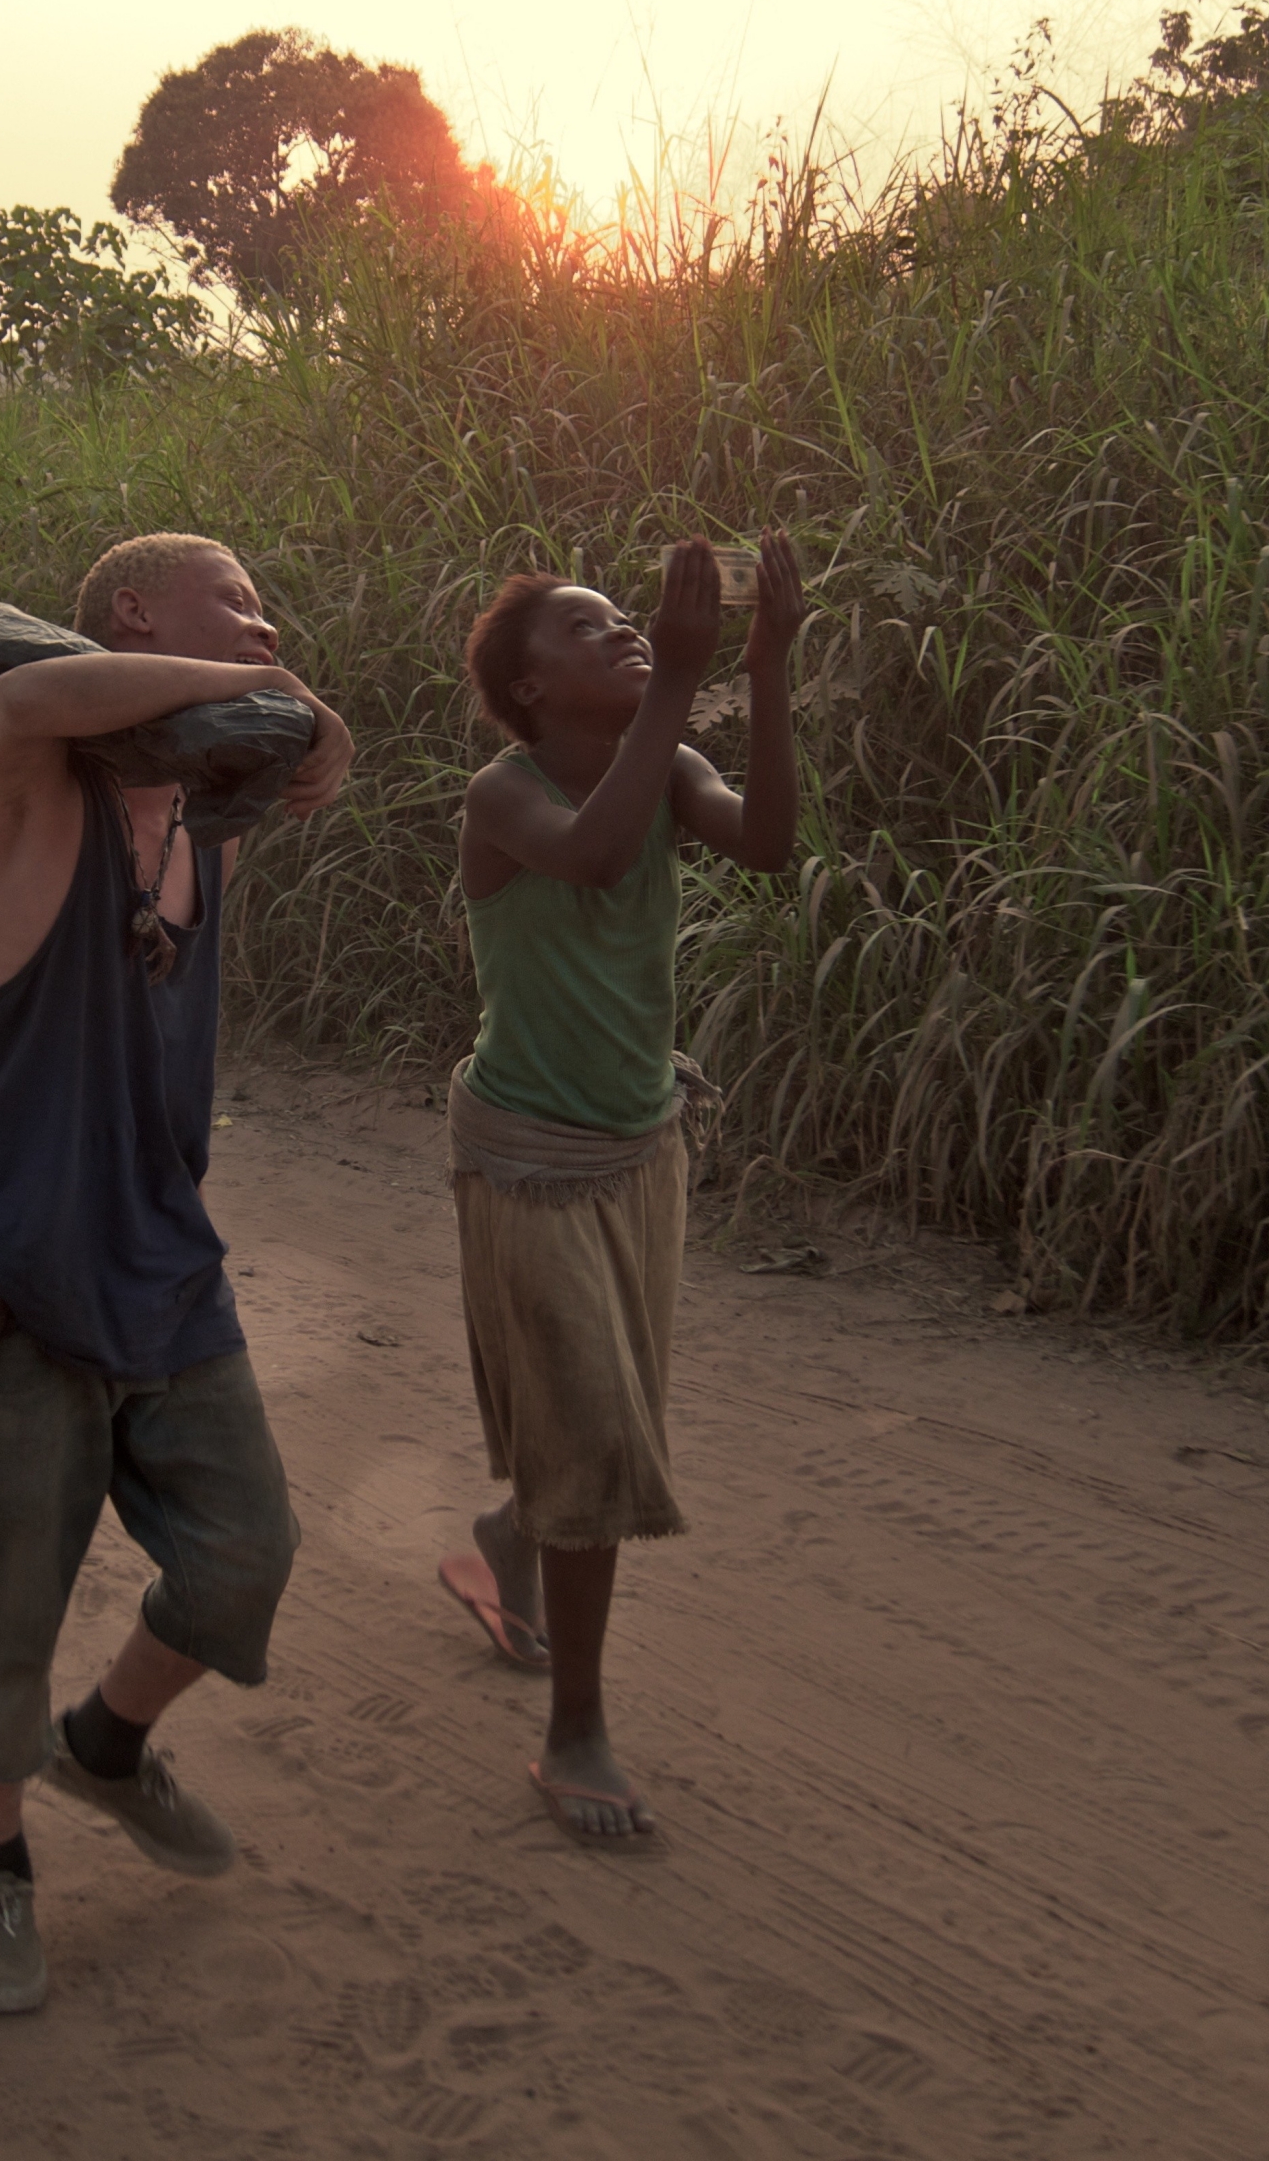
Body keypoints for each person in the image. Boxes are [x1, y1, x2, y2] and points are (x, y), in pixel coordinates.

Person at [0, 532, 353, 2011]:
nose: (262, 619)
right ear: (129, 619)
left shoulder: (203, 835)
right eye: (231, 602)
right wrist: (258, 687)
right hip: (12, 1283)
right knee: (5, 1614)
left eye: (264, 605)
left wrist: (294, 705)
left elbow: (323, 763)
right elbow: (23, 706)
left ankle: (104, 1744)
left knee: (247, 1552)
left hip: (166, 1274)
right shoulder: (29, 799)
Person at [437, 528, 806, 1848]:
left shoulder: (673, 759)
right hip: (531, 1160)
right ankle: (576, 1730)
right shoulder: (504, 794)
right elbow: (591, 855)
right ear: (532, 690)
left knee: (601, 1409)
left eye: (625, 623)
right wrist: (679, 684)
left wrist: (759, 674)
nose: (624, 635)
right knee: (594, 1427)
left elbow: (765, 844)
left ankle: (510, 1530)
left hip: (639, 1146)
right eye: (586, 631)